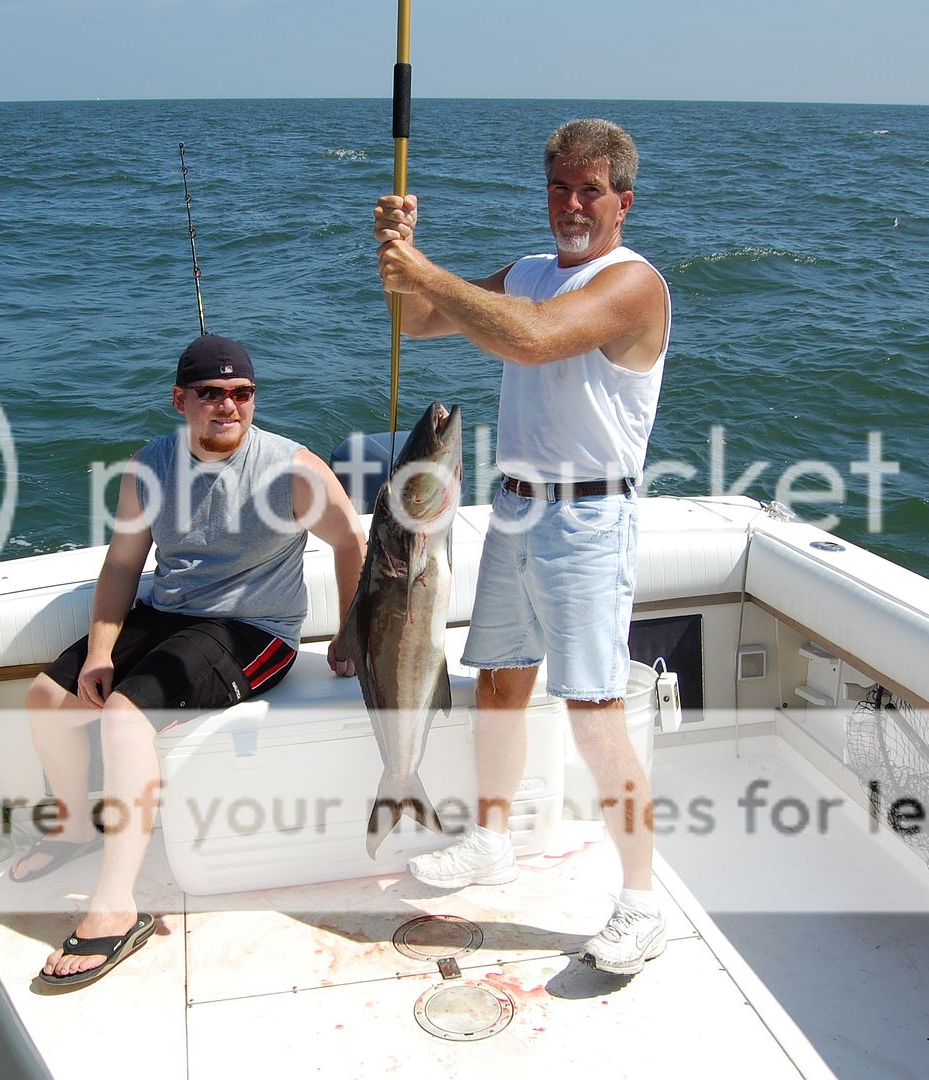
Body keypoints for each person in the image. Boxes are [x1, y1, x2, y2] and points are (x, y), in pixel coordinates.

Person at [372, 118, 671, 976]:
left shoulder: (634, 285)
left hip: (588, 521)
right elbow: (420, 317)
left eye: (590, 191)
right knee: (500, 685)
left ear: (623, 200)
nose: (572, 206)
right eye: (558, 188)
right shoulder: (531, 272)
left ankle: (641, 903)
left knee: (595, 713)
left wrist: (429, 273)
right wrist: (397, 250)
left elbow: (530, 336)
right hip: (514, 508)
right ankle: (491, 840)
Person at [20, 333, 366, 986]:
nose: (228, 406)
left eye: (241, 394)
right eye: (210, 394)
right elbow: (123, 565)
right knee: (45, 699)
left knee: (125, 716)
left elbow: (352, 541)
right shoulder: (149, 467)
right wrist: (99, 649)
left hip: (252, 629)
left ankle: (118, 910)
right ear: (180, 400)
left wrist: (348, 634)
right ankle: (71, 830)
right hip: (169, 611)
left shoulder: (291, 470)